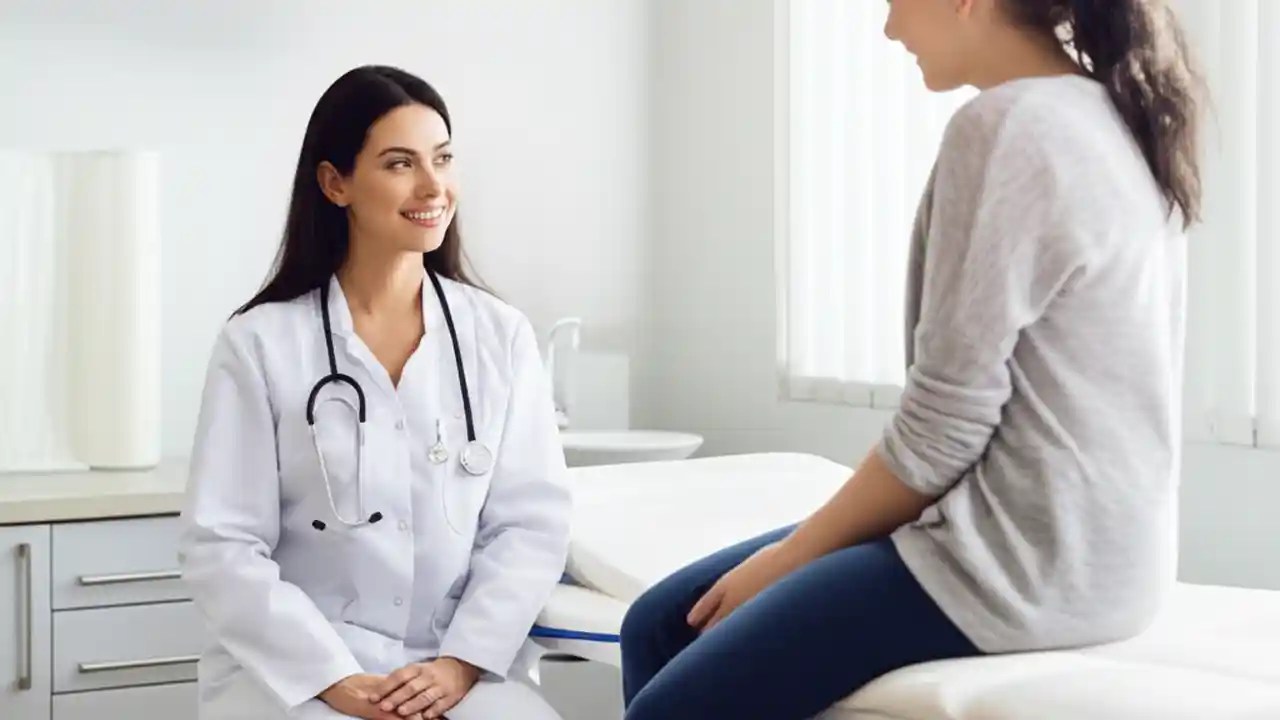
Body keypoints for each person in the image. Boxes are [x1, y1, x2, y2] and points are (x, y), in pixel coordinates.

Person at [620, 1, 1204, 718]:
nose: (890, 28)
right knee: (658, 623)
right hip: (1110, 565)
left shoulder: (1011, 125)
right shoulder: (1111, 114)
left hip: (1020, 567)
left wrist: (788, 559)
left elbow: (942, 432)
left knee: (667, 685)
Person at [177, 65, 571, 720]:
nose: (433, 186)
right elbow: (223, 543)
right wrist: (332, 678)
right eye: (399, 163)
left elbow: (529, 524)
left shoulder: (498, 335)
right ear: (335, 184)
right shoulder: (261, 343)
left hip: (451, 662)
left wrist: (460, 662)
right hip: (299, 669)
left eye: (442, 159)